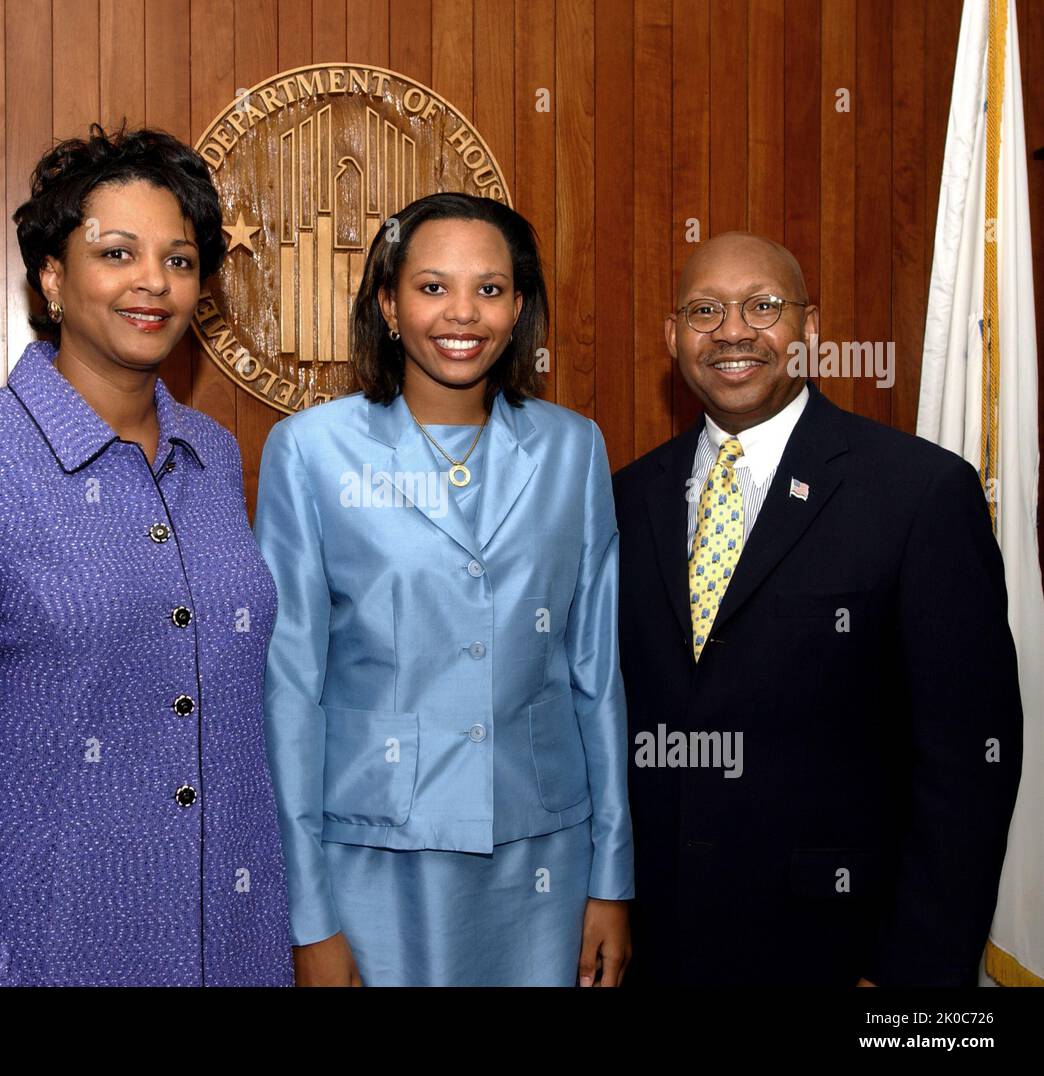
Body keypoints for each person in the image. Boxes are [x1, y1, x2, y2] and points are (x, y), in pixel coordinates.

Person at [0, 124, 292, 986]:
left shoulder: (211, 455)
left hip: (234, 944)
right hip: (48, 952)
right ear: (53, 278)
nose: (154, 282)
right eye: (117, 252)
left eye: (180, 260)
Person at [612, 231, 1023, 986]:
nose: (732, 331)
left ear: (811, 329)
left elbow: (970, 765)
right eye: (705, 311)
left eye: (762, 306)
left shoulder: (920, 494)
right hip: (659, 944)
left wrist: (913, 974)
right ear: (672, 338)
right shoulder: (625, 499)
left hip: (840, 949)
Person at [253, 191, 633, 986]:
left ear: (519, 306)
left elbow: (596, 674)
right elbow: (290, 689)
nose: (463, 314)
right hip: (371, 856)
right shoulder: (311, 452)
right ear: (388, 304)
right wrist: (306, 910)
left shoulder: (574, 449)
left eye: (490, 289)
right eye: (432, 287)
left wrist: (611, 877)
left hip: (542, 857)